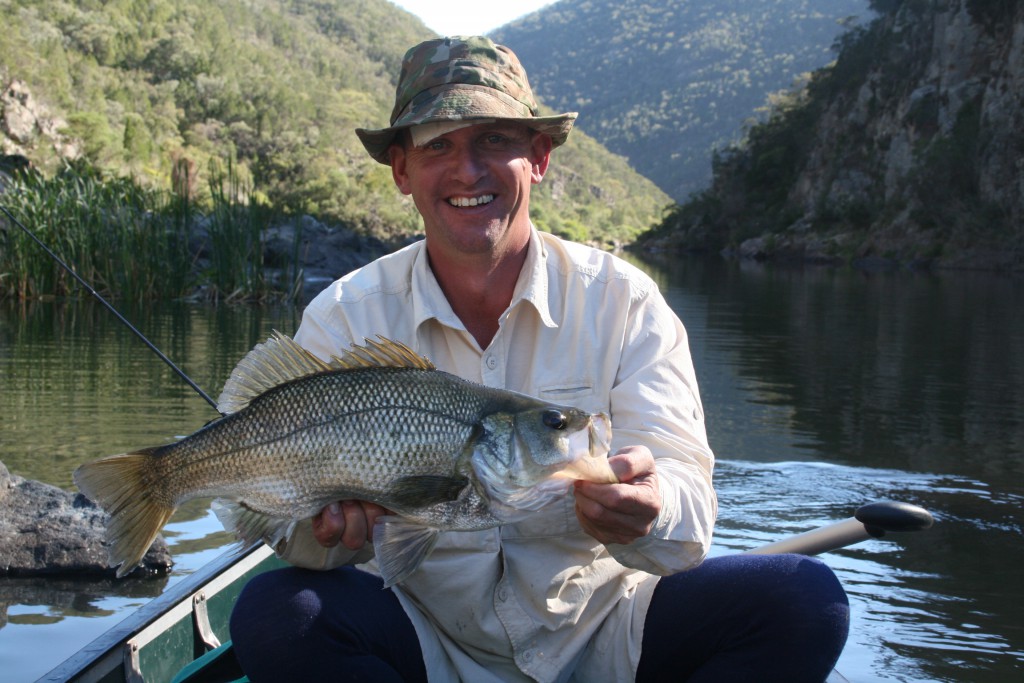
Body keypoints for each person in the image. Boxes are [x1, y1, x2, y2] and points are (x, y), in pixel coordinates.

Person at [229, 36, 849, 682]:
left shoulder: (624, 301)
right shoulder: (345, 315)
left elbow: (691, 515)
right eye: (437, 144)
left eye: (494, 140)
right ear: (401, 170)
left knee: (803, 600)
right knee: (279, 613)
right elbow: (288, 538)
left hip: (609, 632)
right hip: (422, 638)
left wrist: (651, 504)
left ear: (539, 157)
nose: (468, 170)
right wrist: (326, 534)